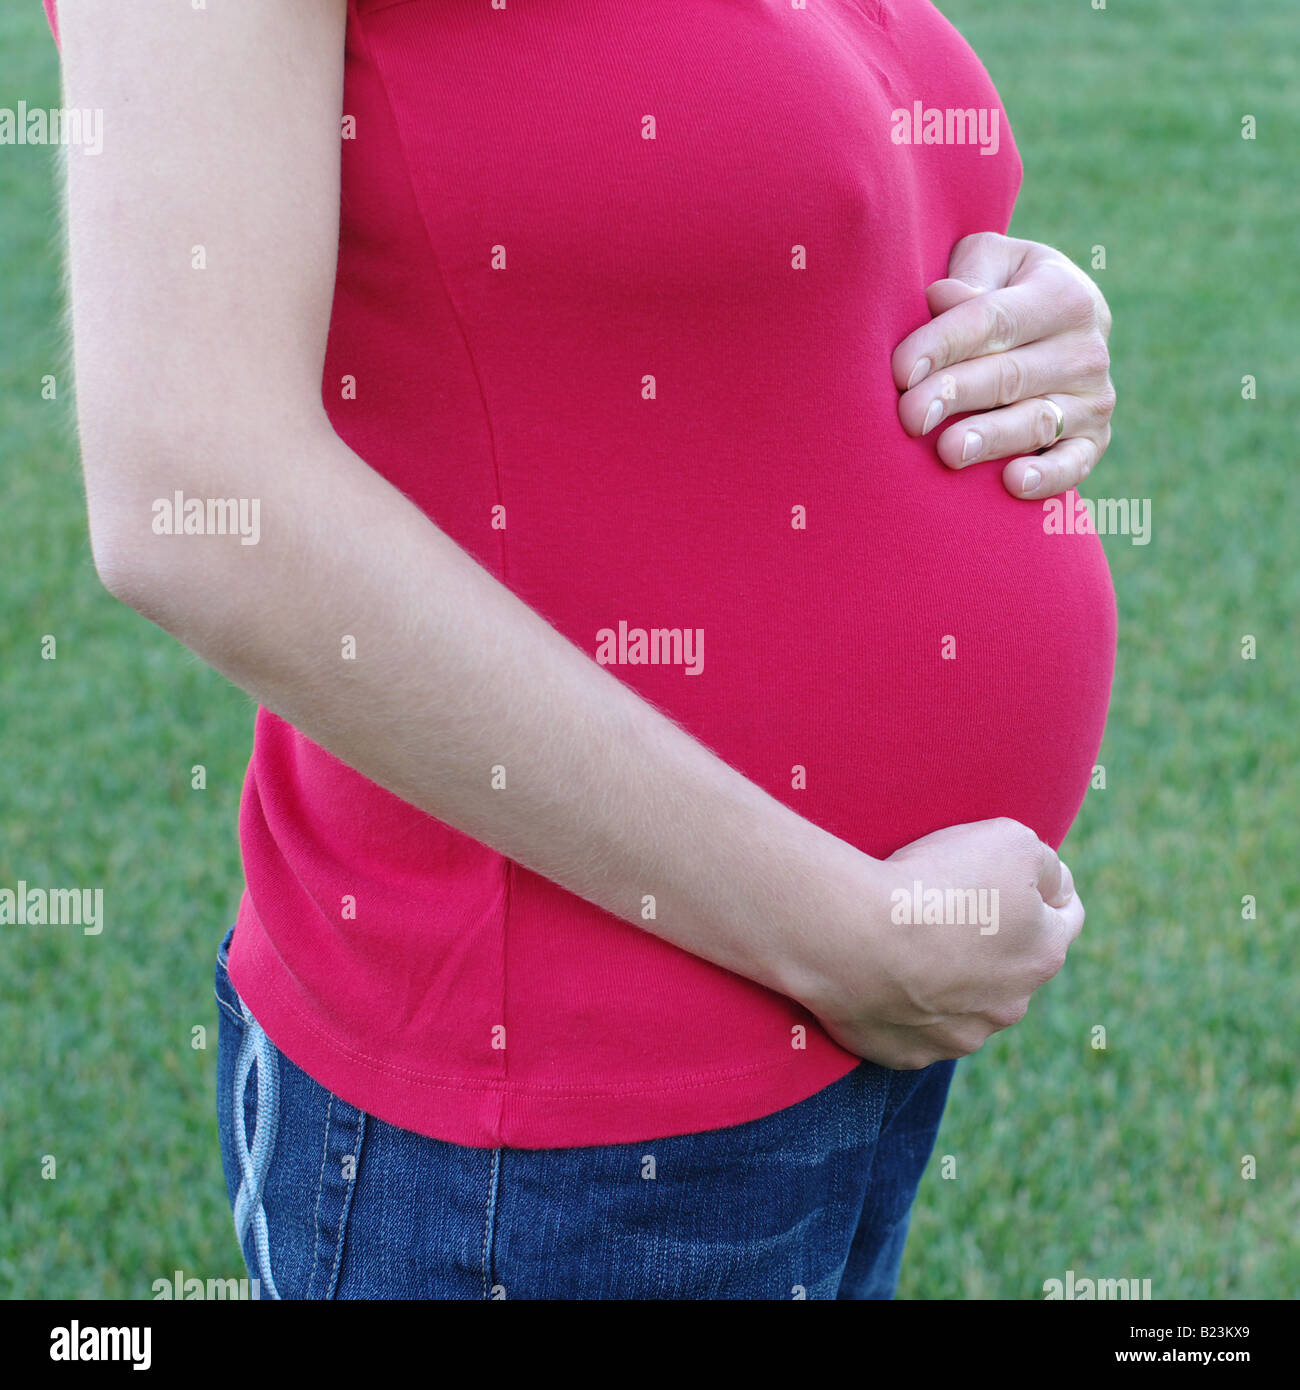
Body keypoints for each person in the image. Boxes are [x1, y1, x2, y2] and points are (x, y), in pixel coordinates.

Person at [47, 0, 1116, 1299]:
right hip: (544, 1136)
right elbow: (197, 499)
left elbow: (733, 203)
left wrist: (1016, 311)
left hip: (832, 1058)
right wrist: (840, 936)